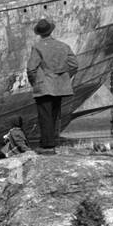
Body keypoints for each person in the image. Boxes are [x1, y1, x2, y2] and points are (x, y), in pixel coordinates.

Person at [26, 17, 78, 152]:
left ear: (40, 33)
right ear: (50, 31)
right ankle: (52, 141)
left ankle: (47, 144)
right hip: (59, 87)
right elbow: (74, 65)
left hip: (44, 86)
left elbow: (31, 68)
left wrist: (35, 82)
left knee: (45, 116)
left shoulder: (38, 47)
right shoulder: (63, 46)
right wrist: (65, 78)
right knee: (54, 114)